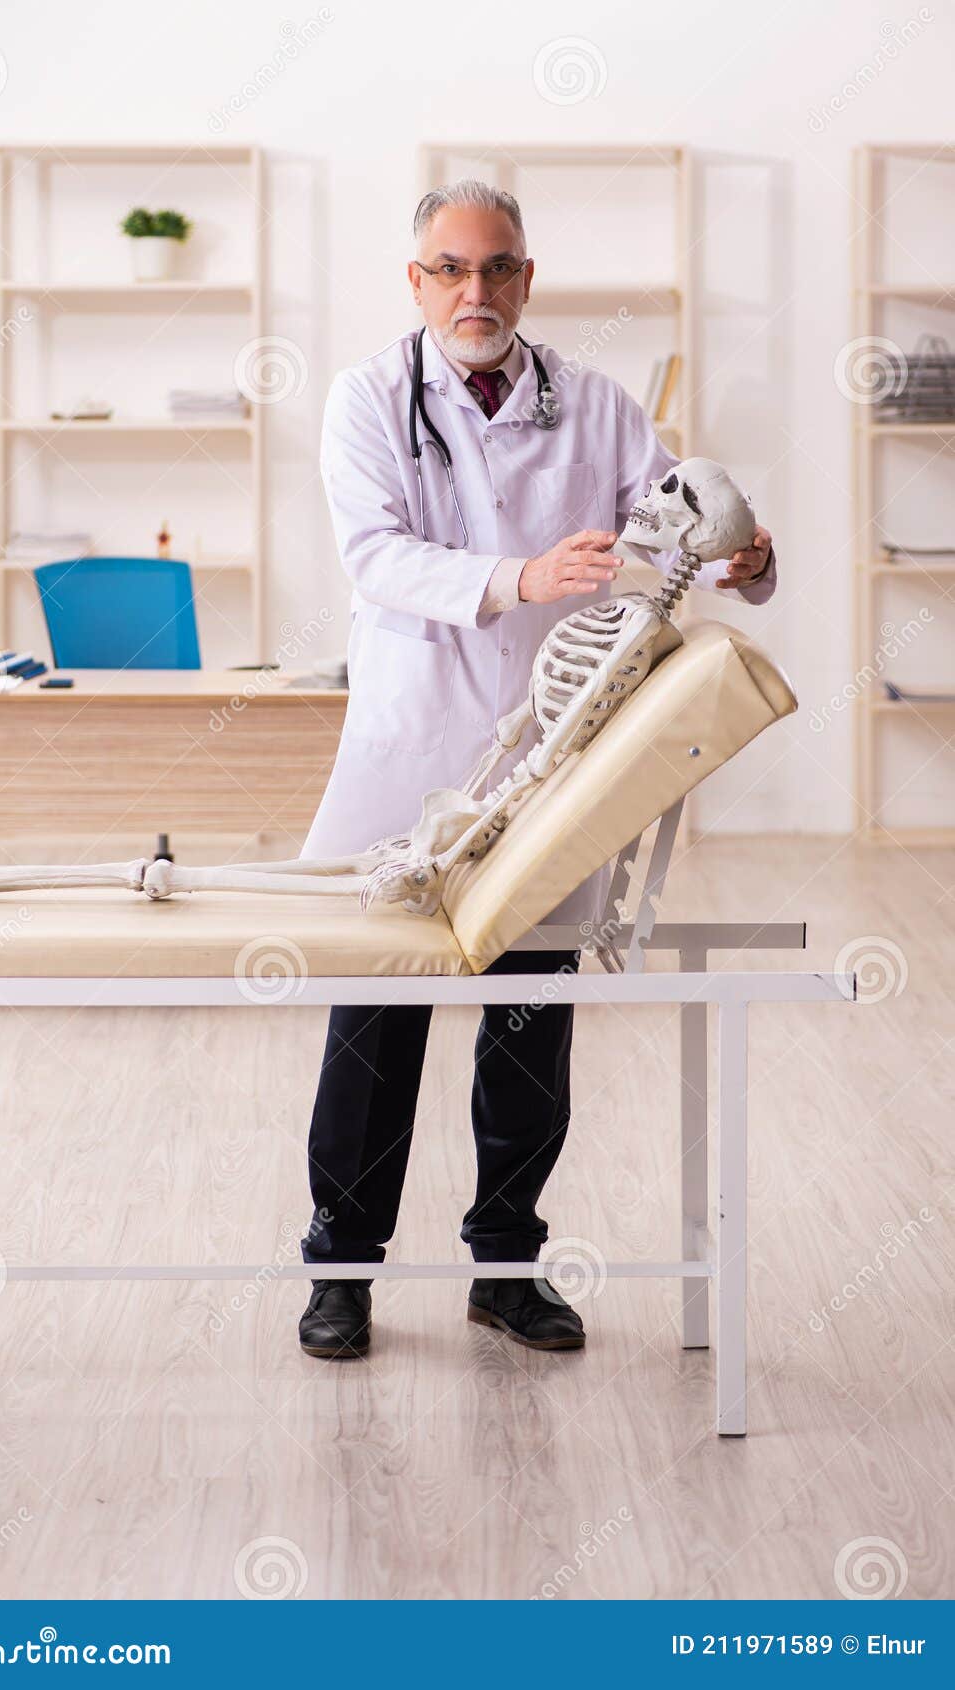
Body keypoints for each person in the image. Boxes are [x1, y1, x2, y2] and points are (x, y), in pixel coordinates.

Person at [298, 179, 777, 1359]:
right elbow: (376, 558)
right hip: (411, 747)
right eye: (452, 269)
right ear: (415, 282)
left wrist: (749, 559)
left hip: (558, 757)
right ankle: (342, 1272)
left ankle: (507, 1267)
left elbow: (680, 537)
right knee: (378, 1022)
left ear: (527, 276)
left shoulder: (597, 407)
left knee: (530, 1021)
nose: (478, 290)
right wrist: (520, 578)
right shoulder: (366, 400)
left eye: (499, 267)